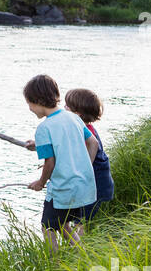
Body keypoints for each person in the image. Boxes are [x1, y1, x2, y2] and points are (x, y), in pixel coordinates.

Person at [23, 74, 97, 250]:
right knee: (62, 223)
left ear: (38, 100)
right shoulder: (73, 117)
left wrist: (40, 183)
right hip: (83, 185)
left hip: (63, 189)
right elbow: (92, 142)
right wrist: (86, 167)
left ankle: (55, 267)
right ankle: (82, 254)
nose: (30, 109)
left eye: (29, 104)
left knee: (47, 227)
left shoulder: (44, 128)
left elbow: (50, 163)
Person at [65, 88, 114, 230]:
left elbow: (84, 160)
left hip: (95, 186)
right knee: (78, 219)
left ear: (77, 114)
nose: (64, 108)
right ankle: (77, 247)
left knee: (81, 221)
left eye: (67, 106)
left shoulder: (85, 133)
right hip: (93, 185)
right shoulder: (83, 128)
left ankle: (79, 250)